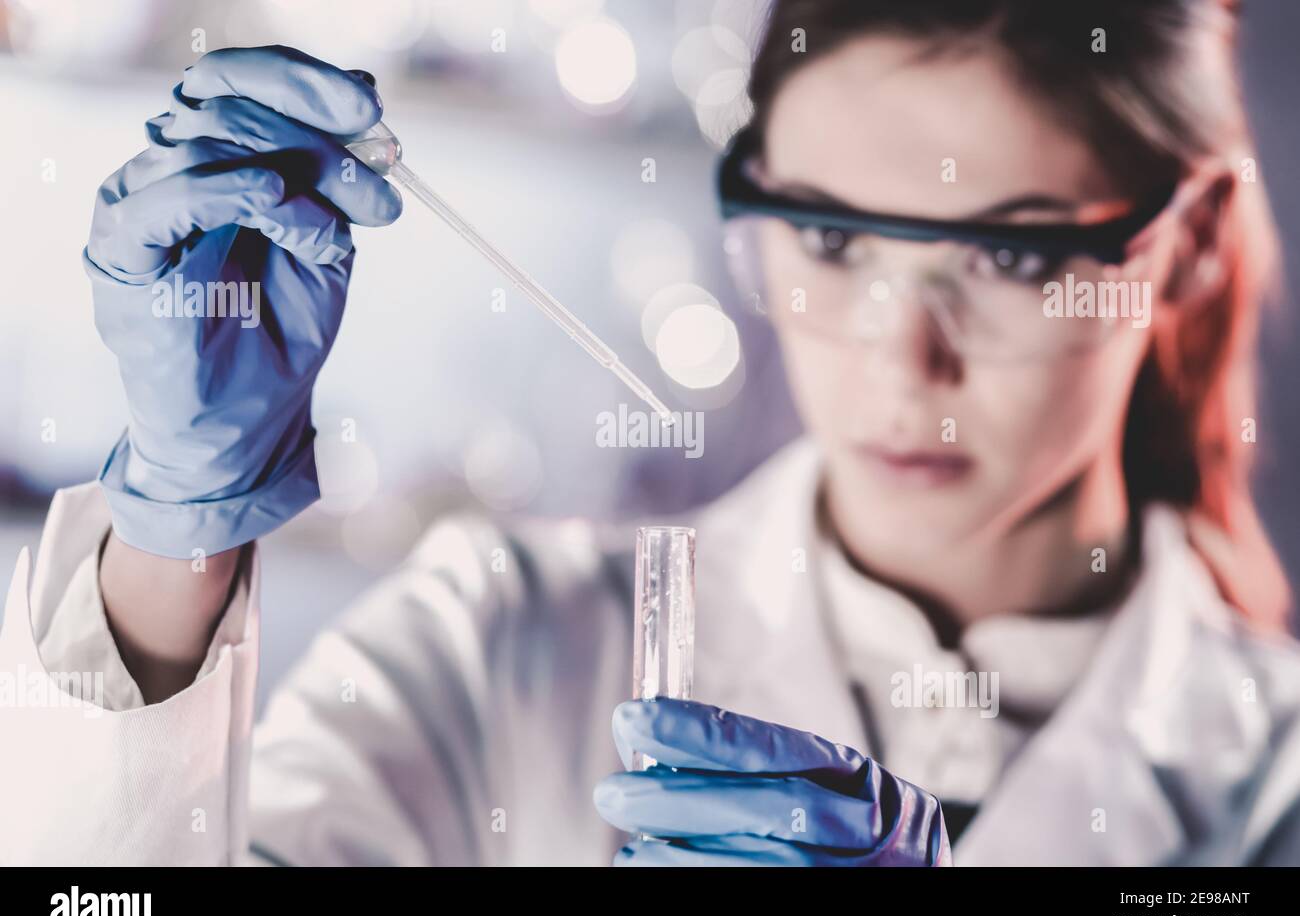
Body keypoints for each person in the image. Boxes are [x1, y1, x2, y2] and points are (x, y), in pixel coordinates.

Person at [3, 0, 1299, 866]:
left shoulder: (1272, 783)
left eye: (1014, 257)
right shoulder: (498, 640)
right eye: (834, 240)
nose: (906, 360)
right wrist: (178, 521)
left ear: (1181, 250)